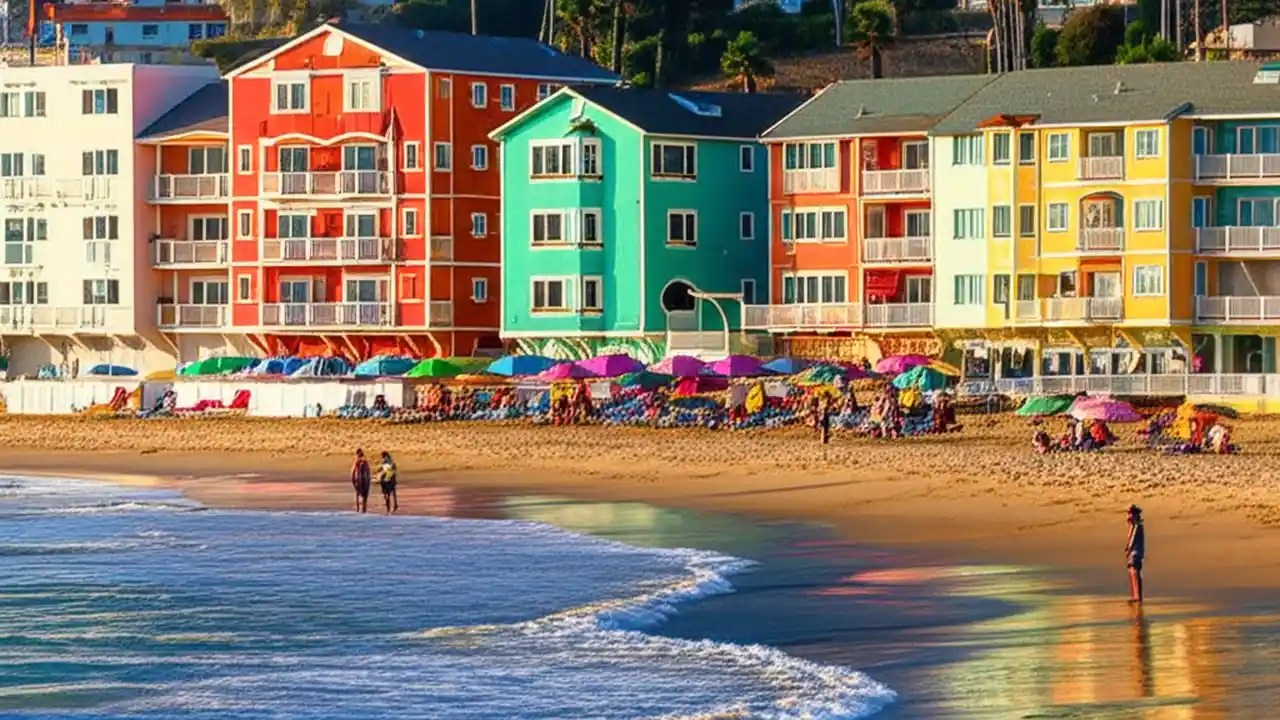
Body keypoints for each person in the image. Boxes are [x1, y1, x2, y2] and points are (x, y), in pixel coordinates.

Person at [1125, 505, 1145, 603]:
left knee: (1135, 573)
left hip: (1135, 553)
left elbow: (1132, 539)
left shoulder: (1137, 525)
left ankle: (1137, 596)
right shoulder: (1134, 526)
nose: (1128, 516)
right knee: (1132, 573)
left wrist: (1128, 549)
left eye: (1130, 514)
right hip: (1134, 553)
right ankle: (1135, 595)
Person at [350, 449, 372, 513]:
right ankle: (363, 510)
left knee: (357, 494)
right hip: (364, 479)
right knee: (365, 496)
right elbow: (368, 471)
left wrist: (353, 482)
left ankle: (358, 510)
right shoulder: (364, 462)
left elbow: (352, 472)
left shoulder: (357, 462)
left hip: (358, 479)